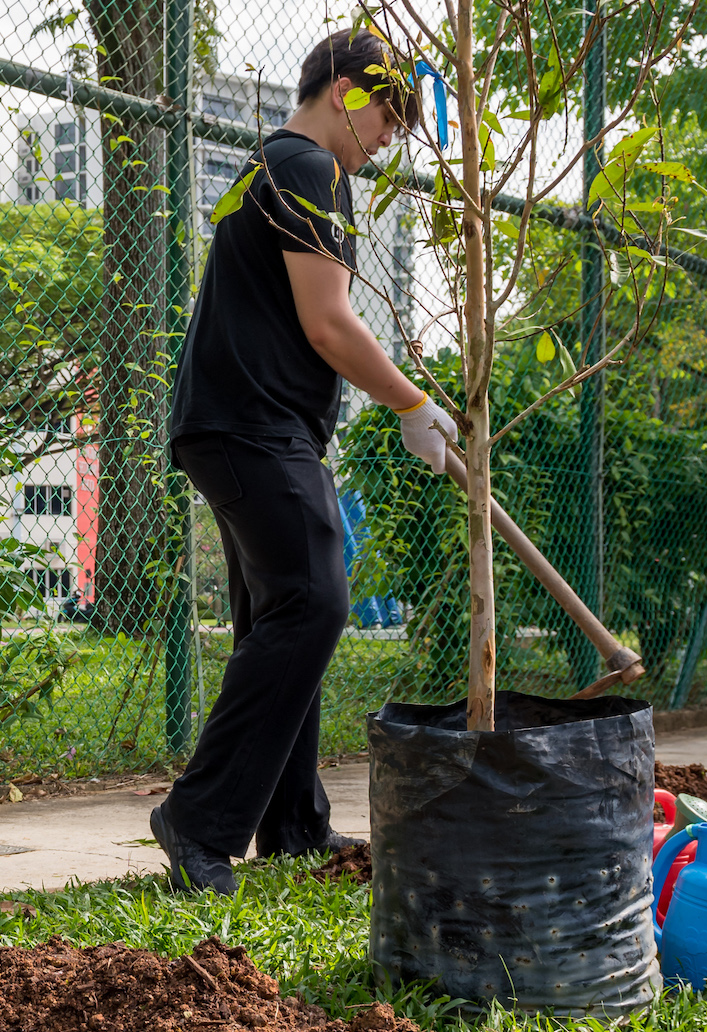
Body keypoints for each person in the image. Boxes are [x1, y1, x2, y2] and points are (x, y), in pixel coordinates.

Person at [150, 31, 451, 893]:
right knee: (315, 603)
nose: (389, 138)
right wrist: (411, 404)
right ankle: (200, 820)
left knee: (283, 616)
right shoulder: (311, 169)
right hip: (255, 424)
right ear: (351, 92)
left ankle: (292, 824)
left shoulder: (271, 166)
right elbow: (329, 323)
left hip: (240, 421)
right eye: (389, 116)